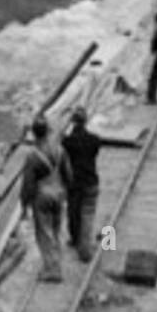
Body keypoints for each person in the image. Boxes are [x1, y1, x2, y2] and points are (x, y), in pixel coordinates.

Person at [20, 114, 73, 282]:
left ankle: (52, 270)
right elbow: (69, 174)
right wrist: (67, 192)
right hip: (59, 194)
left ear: (34, 134)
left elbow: (28, 184)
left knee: (44, 233)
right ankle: (56, 264)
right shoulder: (60, 150)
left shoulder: (32, 156)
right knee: (57, 230)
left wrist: (24, 204)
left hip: (41, 196)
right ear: (48, 132)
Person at [62, 107, 102, 263]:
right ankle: (89, 248)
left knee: (73, 212)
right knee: (88, 215)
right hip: (91, 182)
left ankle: (76, 241)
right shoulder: (95, 140)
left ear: (73, 122)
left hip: (74, 184)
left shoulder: (67, 142)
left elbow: (60, 147)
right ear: (86, 121)